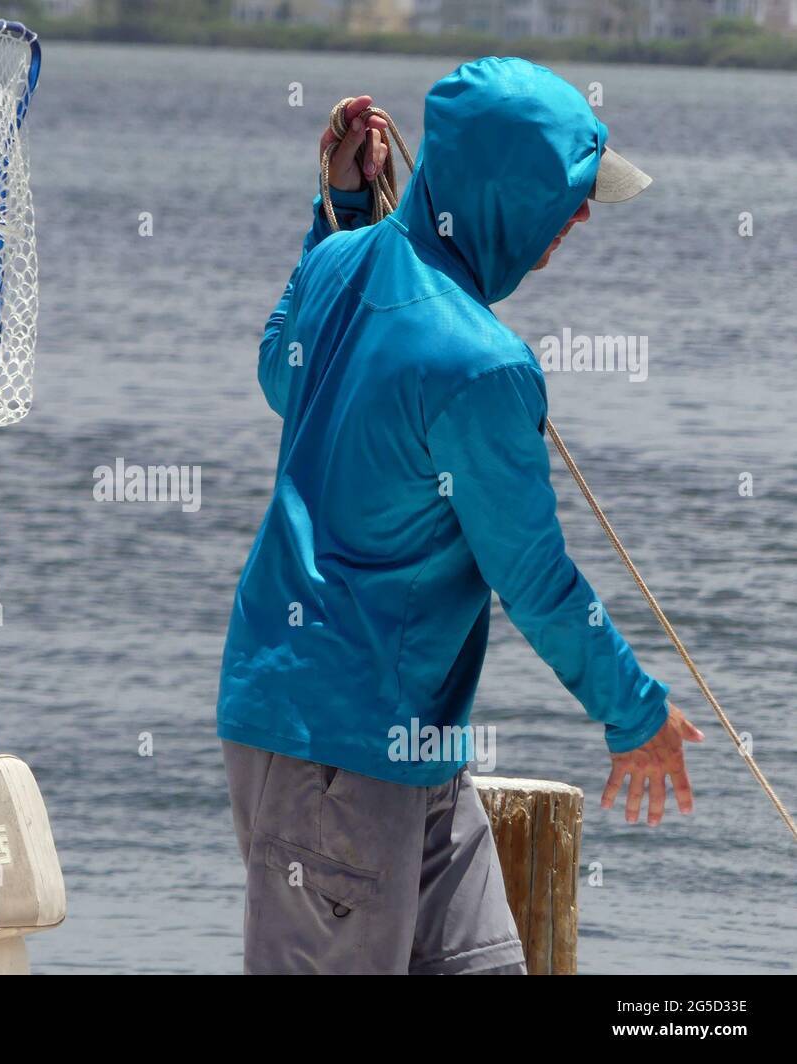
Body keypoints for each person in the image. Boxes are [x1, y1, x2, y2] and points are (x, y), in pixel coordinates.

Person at [217, 57, 704, 976]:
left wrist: (348, 217)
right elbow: (532, 576)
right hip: (335, 750)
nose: (584, 215)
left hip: (406, 745)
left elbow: (282, 372)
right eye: (571, 194)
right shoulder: (482, 365)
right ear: (506, 196)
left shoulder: (332, 258)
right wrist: (633, 712)